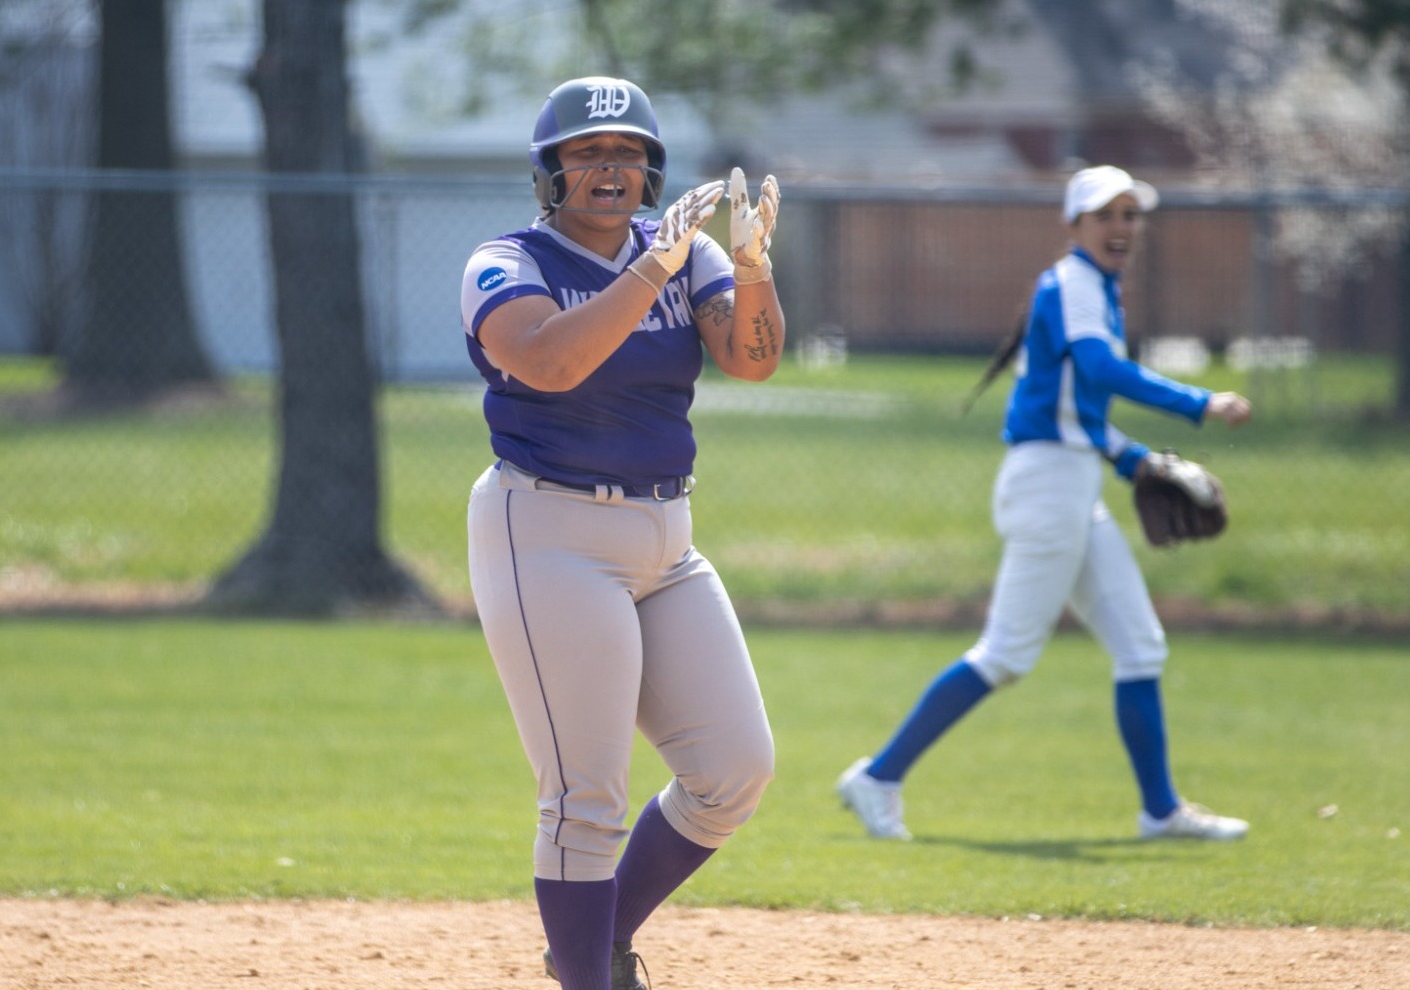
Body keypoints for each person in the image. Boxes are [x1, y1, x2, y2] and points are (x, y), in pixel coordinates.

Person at [461, 76, 785, 990]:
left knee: (733, 771)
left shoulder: (684, 250)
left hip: (666, 536)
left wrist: (750, 265)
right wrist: (652, 269)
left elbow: (753, 361)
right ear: (549, 172)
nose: (611, 168)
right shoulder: (506, 261)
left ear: (653, 170)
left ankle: (595, 943)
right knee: (586, 799)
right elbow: (551, 362)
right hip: (548, 528)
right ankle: (587, 977)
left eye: (630, 152)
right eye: (588, 152)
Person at [836, 165, 1254, 843]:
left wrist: (1137, 462)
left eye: (1130, 215)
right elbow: (1099, 371)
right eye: (1105, 215)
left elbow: (1077, 413)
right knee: (1005, 654)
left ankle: (1160, 810)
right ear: (1074, 224)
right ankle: (878, 778)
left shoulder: (1089, 288)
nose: (1121, 227)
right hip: (1050, 486)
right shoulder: (1076, 284)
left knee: (1140, 647)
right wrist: (1200, 402)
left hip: (1069, 482)